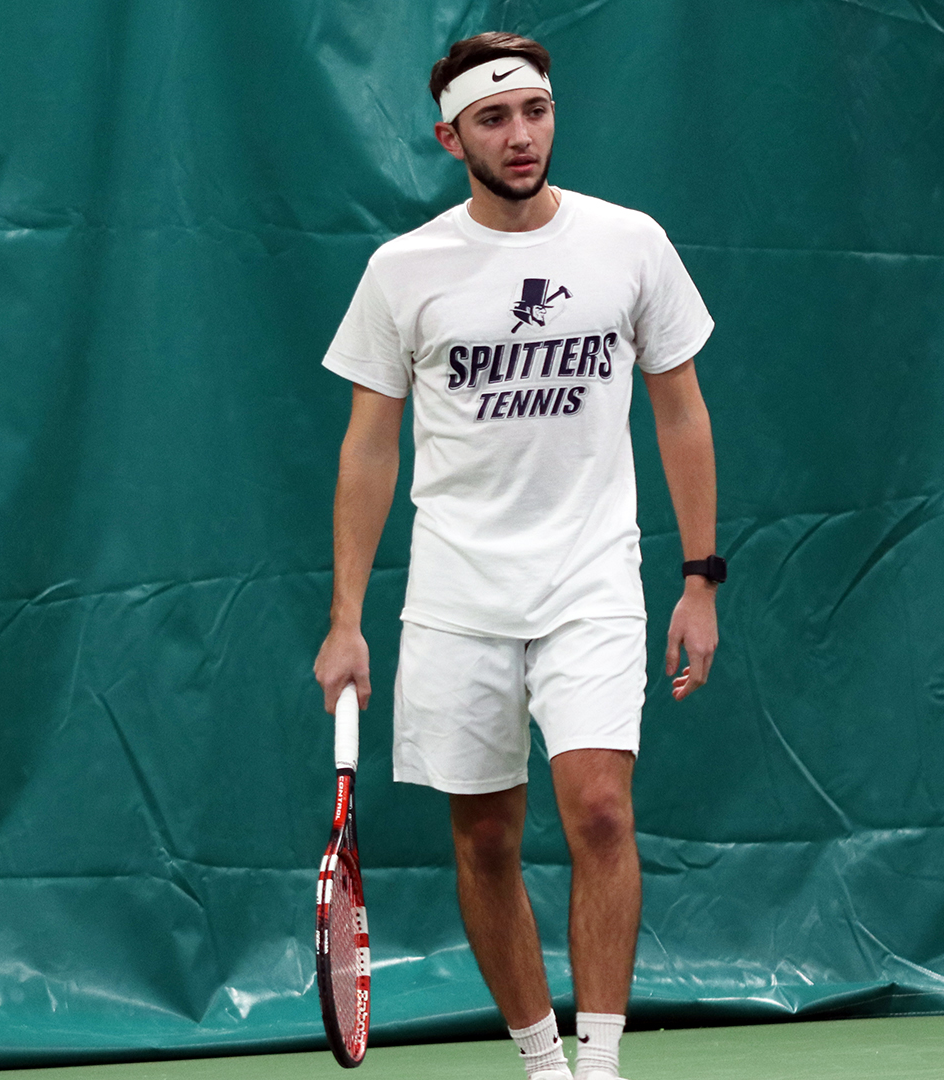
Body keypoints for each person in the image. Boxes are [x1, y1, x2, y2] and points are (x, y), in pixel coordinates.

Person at [313, 31, 724, 1080]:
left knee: (598, 807)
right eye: (493, 119)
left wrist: (699, 576)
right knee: (488, 840)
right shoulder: (403, 270)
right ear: (452, 138)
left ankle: (601, 1066)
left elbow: (679, 410)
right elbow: (369, 447)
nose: (521, 133)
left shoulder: (629, 244)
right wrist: (346, 620)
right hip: (457, 591)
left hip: (592, 578)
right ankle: (542, 1060)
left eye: (534, 110)